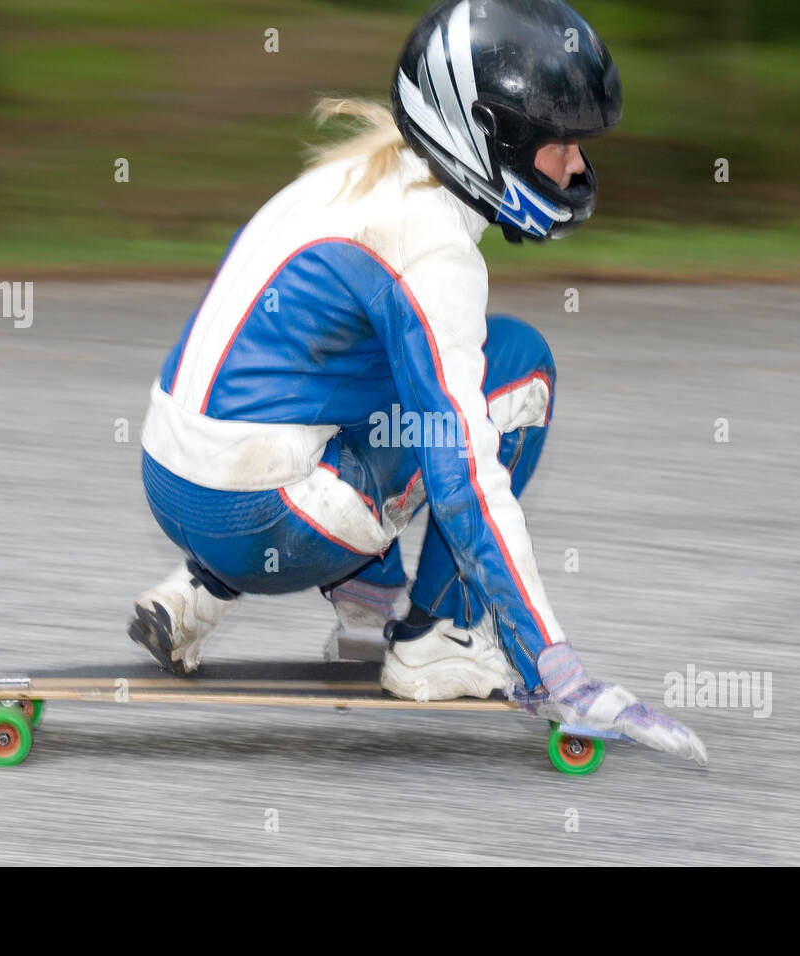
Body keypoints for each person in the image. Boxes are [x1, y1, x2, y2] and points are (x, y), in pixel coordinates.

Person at [129, 0, 707, 765]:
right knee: (517, 366)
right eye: (560, 142)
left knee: (384, 379)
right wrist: (555, 669)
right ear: (485, 134)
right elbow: (463, 475)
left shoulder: (353, 178)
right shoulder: (434, 253)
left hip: (174, 479)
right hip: (258, 516)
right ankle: (435, 635)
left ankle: (206, 594)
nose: (577, 166)